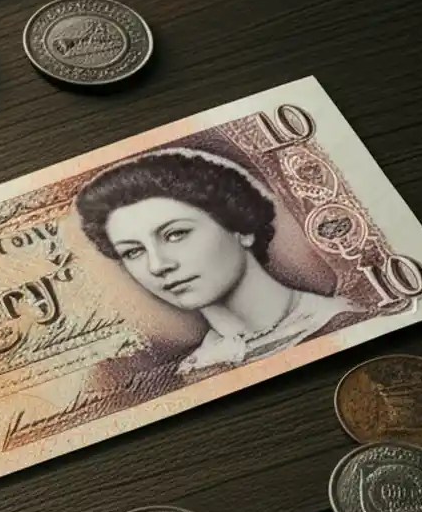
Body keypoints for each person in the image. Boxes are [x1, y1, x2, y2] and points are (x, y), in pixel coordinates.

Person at [75, 146, 358, 375]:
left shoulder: (346, 321)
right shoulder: (196, 370)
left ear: (241, 227)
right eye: (133, 252)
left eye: (175, 234)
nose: (158, 265)